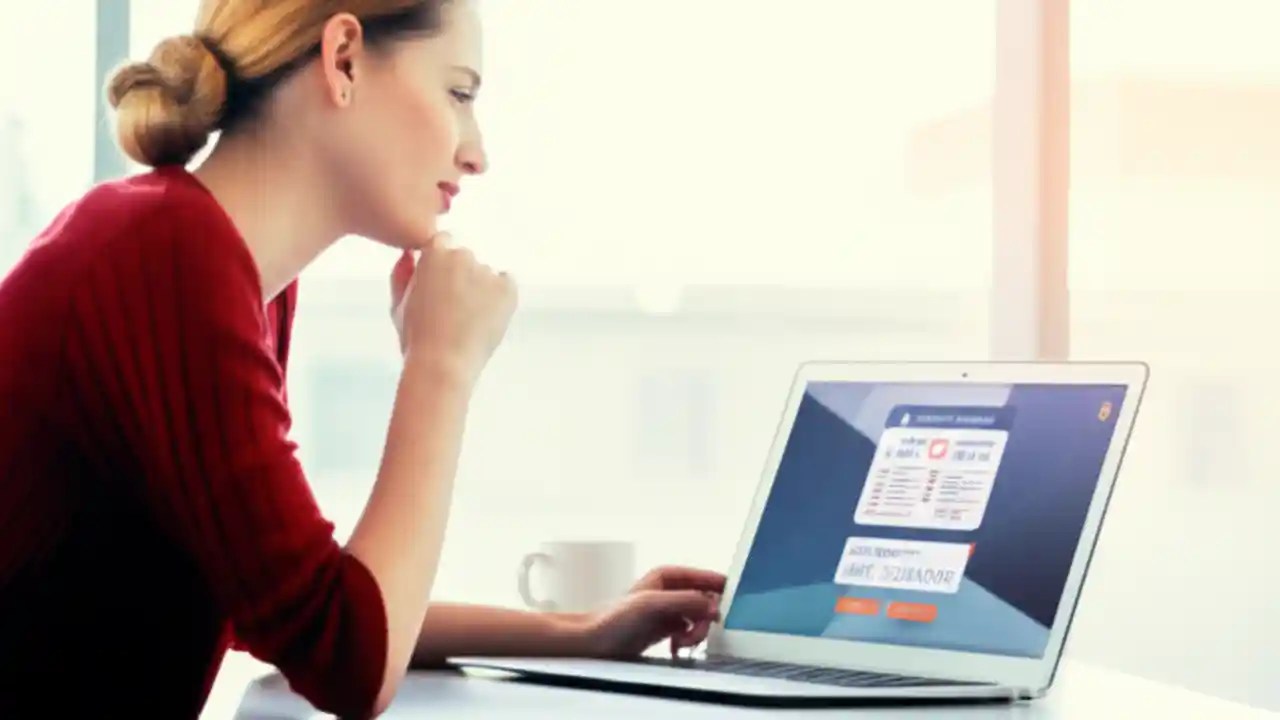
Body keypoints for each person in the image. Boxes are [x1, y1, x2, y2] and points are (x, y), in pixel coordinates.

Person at [0, 1, 725, 716]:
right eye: (459, 93)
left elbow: (293, 601)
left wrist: (583, 630)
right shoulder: (166, 255)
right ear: (343, 60)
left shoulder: (228, 273)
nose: (477, 153)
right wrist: (441, 363)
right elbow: (346, 660)